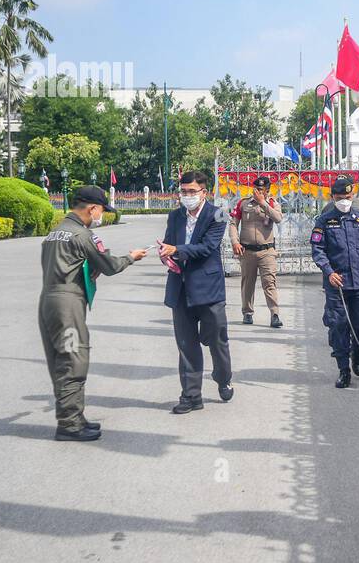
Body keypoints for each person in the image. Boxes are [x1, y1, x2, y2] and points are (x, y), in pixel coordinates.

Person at [38, 186, 147, 442]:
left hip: (49, 299)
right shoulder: (83, 234)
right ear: (92, 208)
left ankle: (75, 417)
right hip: (68, 304)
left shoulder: (55, 232)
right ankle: (69, 425)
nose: (100, 216)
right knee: (73, 360)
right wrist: (131, 257)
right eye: (100, 210)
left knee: (62, 359)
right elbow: (109, 266)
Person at [159, 171, 234, 413]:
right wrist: (165, 254)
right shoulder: (175, 216)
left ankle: (223, 378)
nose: (187, 196)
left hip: (208, 288)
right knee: (186, 344)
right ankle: (191, 396)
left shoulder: (218, 214)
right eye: (184, 192)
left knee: (216, 339)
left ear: (205, 192)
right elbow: (169, 244)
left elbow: (207, 247)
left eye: (192, 191)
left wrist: (176, 249)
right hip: (180, 287)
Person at [310, 175, 359, 388]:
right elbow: (318, 250)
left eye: (348, 196)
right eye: (340, 196)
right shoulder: (324, 221)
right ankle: (343, 370)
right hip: (337, 284)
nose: (345, 200)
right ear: (333, 196)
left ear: (353, 196)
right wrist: (329, 272)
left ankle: (357, 352)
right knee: (338, 325)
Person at [229, 175, 283, 328]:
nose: (258, 192)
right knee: (247, 283)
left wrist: (263, 203)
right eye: (257, 189)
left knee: (269, 282)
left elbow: (278, 218)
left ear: (267, 191)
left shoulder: (273, 203)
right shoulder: (243, 203)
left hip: (267, 251)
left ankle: (275, 314)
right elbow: (233, 224)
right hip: (247, 251)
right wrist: (235, 242)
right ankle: (247, 312)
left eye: (262, 190)